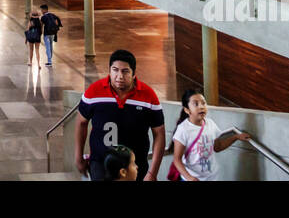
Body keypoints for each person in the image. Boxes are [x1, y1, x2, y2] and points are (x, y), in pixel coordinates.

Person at [74, 49, 166, 182]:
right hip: (101, 165)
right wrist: (78, 157)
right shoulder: (93, 92)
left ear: (134, 74)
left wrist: (152, 172)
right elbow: (81, 123)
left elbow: (159, 134)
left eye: (125, 71)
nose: (119, 76)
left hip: (135, 167)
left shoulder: (148, 96)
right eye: (115, 70)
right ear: (109, 71)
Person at [169, 88, 250, 182]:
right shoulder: (183, 129)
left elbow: (218, 146)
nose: (201, 107)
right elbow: (177, 159)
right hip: (191, 179)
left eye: (203, 103)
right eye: (196, 104)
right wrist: (189, 178)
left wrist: (236, 137)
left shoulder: (210, 124)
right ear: (187, 110)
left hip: (212, 177)